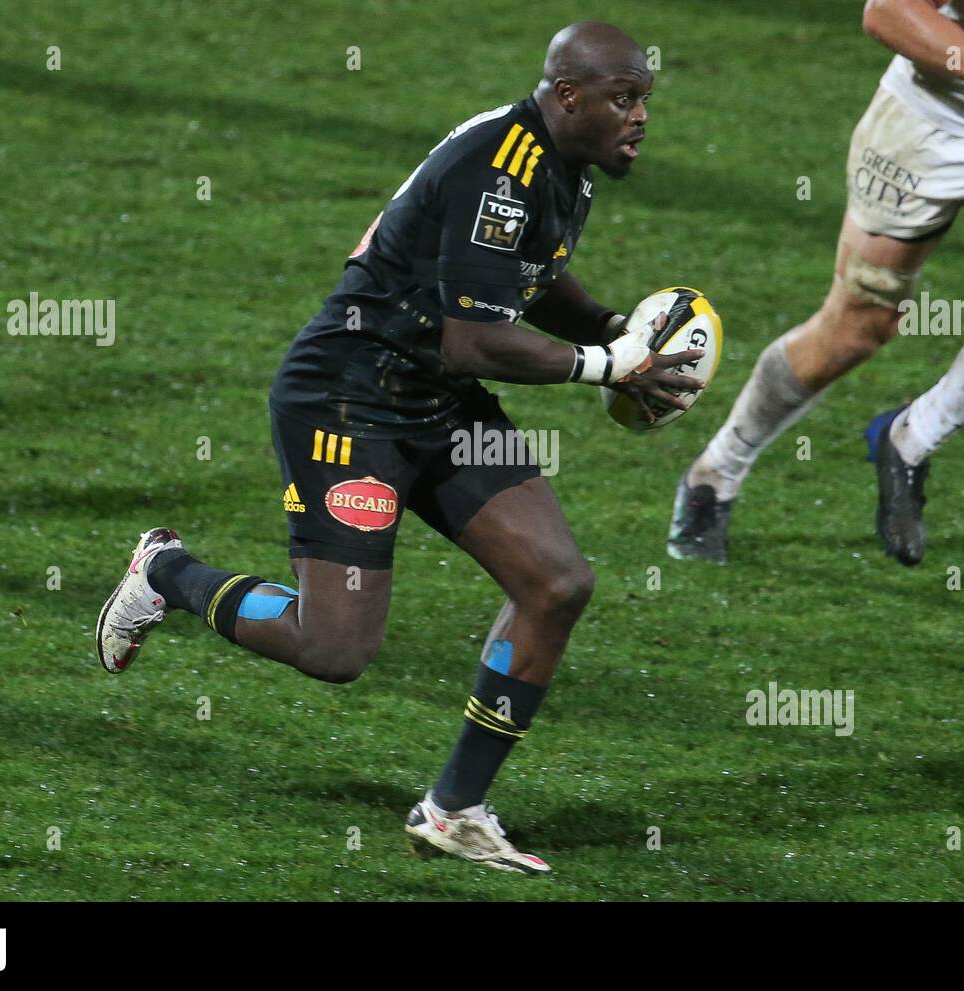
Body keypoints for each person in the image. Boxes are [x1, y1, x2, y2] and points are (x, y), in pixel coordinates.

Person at [96, 21, 701, 875]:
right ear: (568, 96)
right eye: (624, 98)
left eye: (644, 98)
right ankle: (165, 574)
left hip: (436, 401)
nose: (640, 116)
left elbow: (529, 276)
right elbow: (473, 340)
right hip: (348, 404)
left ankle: (454, 810)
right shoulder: (502, 171)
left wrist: (608, 326)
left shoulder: (562, 166)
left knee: (556, 582)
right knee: (332, 649)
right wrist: (608, 364)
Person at [669, 0, 964, 567]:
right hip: (924, 132)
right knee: (856, 328)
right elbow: (887, 12)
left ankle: (910, 437)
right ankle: (715, 473)